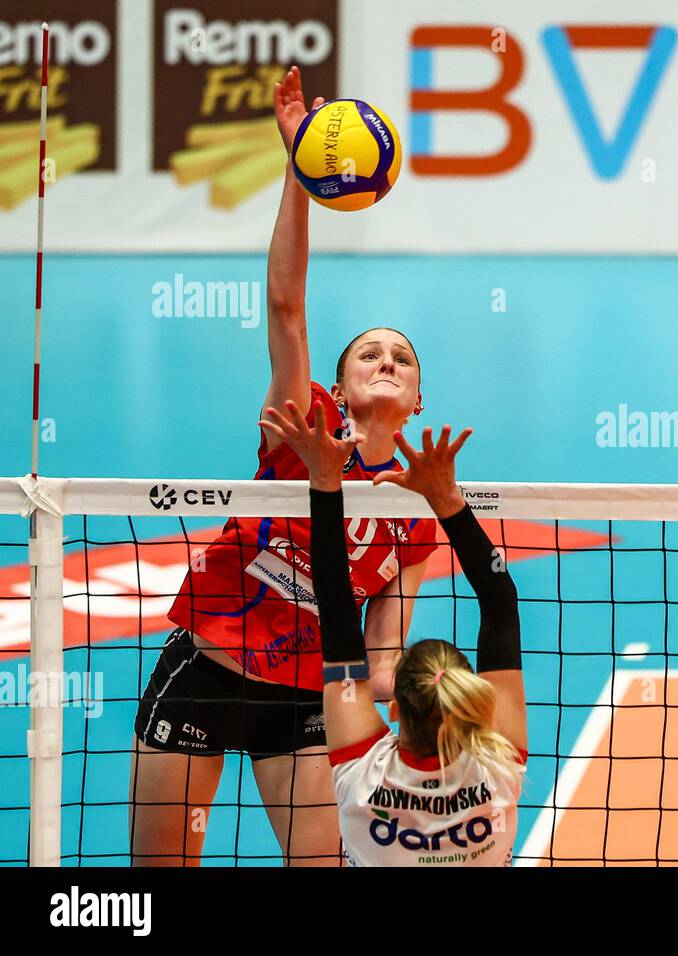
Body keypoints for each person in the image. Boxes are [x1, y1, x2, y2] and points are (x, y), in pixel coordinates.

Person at [129, 66, 439, 866]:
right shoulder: (302, 426)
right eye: (368, 352)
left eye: (400, 358)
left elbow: (380, 659)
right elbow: (286, 306)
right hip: (205, 672)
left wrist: (422, 700)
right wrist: (301, 168)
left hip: (308, 703)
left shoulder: (414, 511)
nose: (384, 360)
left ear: (415, 402)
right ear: (335, 386)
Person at [259, 399, 527, 866]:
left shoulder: (364, 778)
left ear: (395, 707)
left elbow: (337, 615)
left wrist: (324, 480)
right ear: (475, 703)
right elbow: (500, 603)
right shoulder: (496, 768)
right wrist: (447, 499)